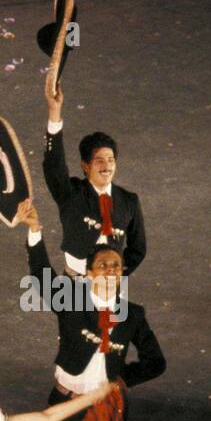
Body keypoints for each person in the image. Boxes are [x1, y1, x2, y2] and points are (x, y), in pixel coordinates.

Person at [19, 198, 165, 421]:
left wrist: (119, 380)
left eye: (116, 267)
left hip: (105, 408)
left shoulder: (132, 314)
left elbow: (156, 362)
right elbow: (42, 275)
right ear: (88, 274)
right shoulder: (72, 301)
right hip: (65, 403)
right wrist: (34, 230)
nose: (110, 271)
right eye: (102, 266)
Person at [42, 80, 146, 276]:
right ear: (85, 166)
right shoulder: (71, 194)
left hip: (109, 288)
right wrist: (54, 113)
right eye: (99, 160)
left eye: (110, 160)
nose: (106, 166)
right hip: (75, 284)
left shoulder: (129, 201)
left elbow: (138, 249)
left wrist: (117, 276)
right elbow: (54, 166)